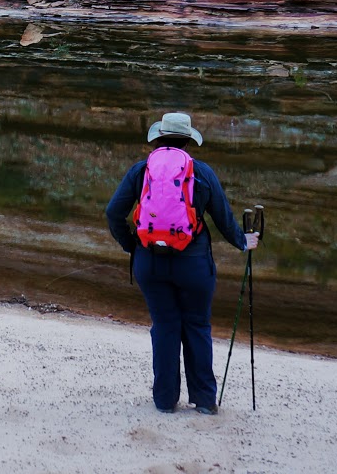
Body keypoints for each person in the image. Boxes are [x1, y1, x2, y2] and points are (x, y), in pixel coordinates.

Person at [105, 111, 257, 414]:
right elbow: (224, 220)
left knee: (164, 326)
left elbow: (113, 213)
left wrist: (132, 246)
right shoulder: (201, 172)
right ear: (189, 141)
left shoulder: (140, 170)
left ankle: (164, 401)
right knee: (197, 326)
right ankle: (203, 401)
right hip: (194, 264)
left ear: (158, 137)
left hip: (149, 262)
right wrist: (243, 241)